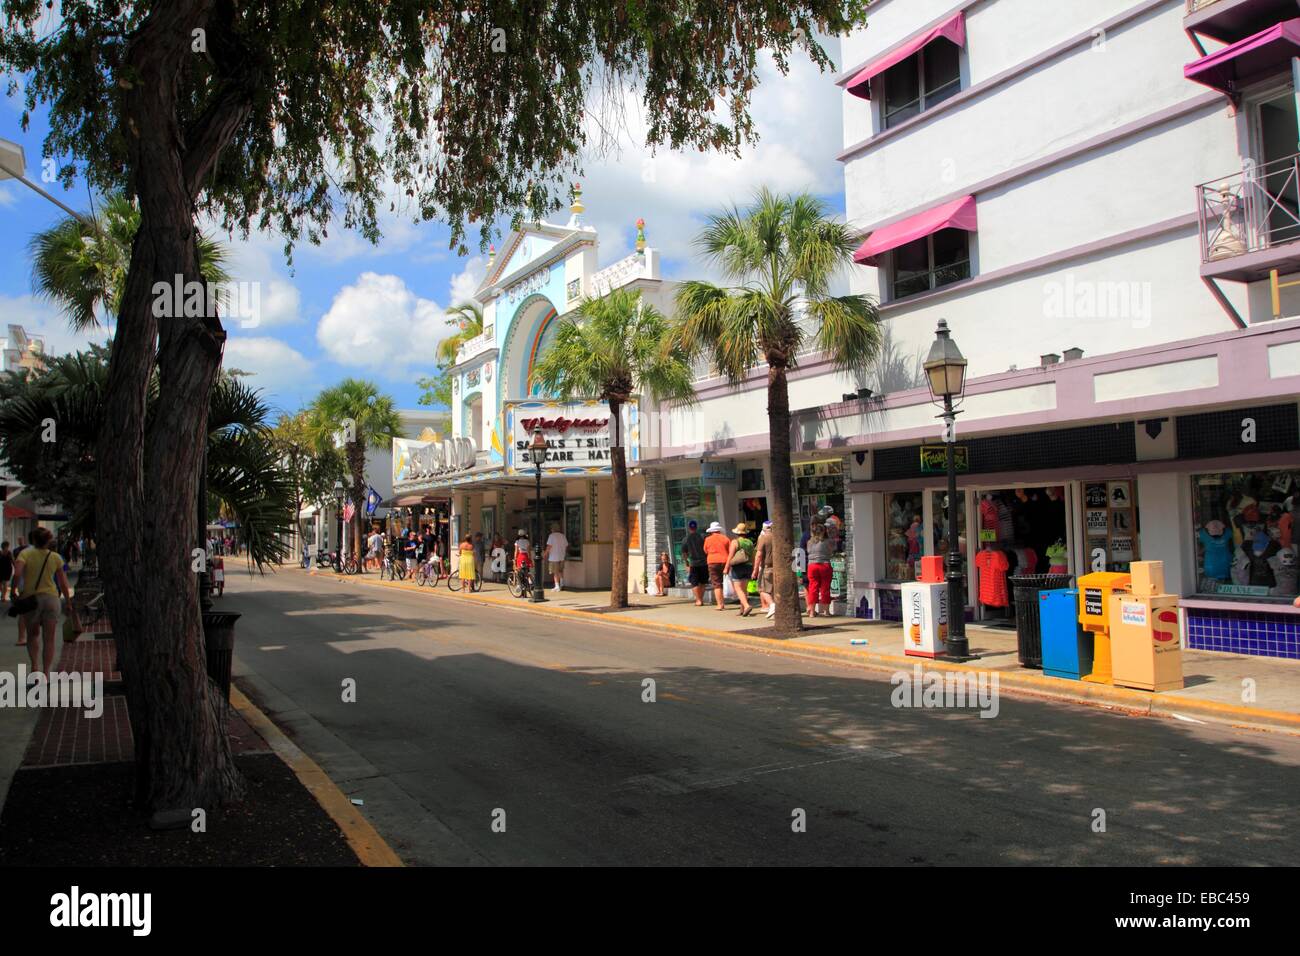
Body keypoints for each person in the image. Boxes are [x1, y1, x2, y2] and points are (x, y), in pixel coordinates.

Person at [12, 527, 74, 681]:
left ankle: (34, 667)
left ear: (33, 540)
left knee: (32, 635)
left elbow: (18, 573)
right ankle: (46, 673)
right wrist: (68, 601)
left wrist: (13, 590)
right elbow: (63, 583)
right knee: (50, 638)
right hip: (51, 599)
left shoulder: (24, 554)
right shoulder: (55, 557)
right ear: (47, 541)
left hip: (31, 600)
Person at [725, 522, 755, 616]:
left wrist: (726, 567)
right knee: (744, 589)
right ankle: (742, 609)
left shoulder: (735, 542)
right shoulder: (750, 542)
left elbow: (730, 555)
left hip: (738, 566)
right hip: (748, 566)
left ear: (737, 533)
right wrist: (754, 568)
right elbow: (753, 556)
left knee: (738, 588)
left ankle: (746, 606)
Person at [806, 522, 834, 618]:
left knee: (813, 588)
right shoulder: (827, 541)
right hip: (824, 564)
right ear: (824, 531)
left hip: (812, 565)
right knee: (825, 588)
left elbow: (808, 551)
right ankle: (826, 611)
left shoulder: (809, 542)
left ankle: (812, 612)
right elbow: (831, 550)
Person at [703, 521, 730, 611]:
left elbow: (705, 551)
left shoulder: (707, 539)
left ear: (711, 531)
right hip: (725, 561)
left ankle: (720, 604)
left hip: (712, 561)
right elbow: (730, 551)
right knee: (728, 580)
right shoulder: (725, 538)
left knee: (717, 584)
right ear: (719, 530)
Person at [752, 519, 776, 619]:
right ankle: (774, 611)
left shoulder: (763, 537)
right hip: (778, 567)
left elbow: (759, 555)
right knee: (774, 590)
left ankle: (772, 605)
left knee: (761, 589)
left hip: (767, 567)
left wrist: (755, 569)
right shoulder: (778, 537)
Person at [681, 520, 708, 606]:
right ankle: (701, 599)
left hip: (693, 563)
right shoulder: (703, 536)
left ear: (689, 528)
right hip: (704, 562)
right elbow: (707, 549)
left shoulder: (686, 539)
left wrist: (686, 563)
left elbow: (684, 553)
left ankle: (698, 600)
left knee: (694, 582)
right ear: (696, 527)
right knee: (703, 582)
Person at [545, 523, 569, 592]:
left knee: (555, 572)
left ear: (553, 529)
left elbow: (549, 546)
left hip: (553, 557)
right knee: (560, 571)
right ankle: (562, 584)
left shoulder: (551, 536)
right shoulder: (563, 536)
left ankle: (557, 586)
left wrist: (545, 554)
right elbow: (566, 545)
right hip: (561, 556)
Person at [513, 528, 532, 592]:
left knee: (518, 571)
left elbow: (516, 551)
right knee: (527, 570)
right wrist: (530, 559)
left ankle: (519, 585)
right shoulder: (527, 541)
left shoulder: (517, 542)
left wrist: (515, 559)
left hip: (520, 556)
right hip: (526, 556)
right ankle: (529, 581)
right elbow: (529, 552)